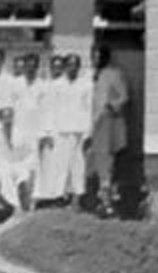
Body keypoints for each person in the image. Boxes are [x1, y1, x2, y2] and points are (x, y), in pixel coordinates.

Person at [35, 54, 91, 208]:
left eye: (76, 65)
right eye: (70, 65)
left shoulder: (85, 85)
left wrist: (88, 133)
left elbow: (88, 109)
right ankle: (57, 197)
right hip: (59, 131)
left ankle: (78, 197)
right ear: (66, 67)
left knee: (77, 165)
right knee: (58, 166)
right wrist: (46, 133)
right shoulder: (56, 85)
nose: (72, 68)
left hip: (78, 132)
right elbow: (48, 110)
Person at [88, 45, 130, 214]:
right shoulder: (89, 75)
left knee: (106, 160)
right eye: (94, 57)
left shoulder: (113, 74)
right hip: (90, 123)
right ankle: (95, 196)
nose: (97, 60)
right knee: (93, 160)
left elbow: (124, 96)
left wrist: (110, 107)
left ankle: (107, 200)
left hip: (107, 122)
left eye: (100, 57)